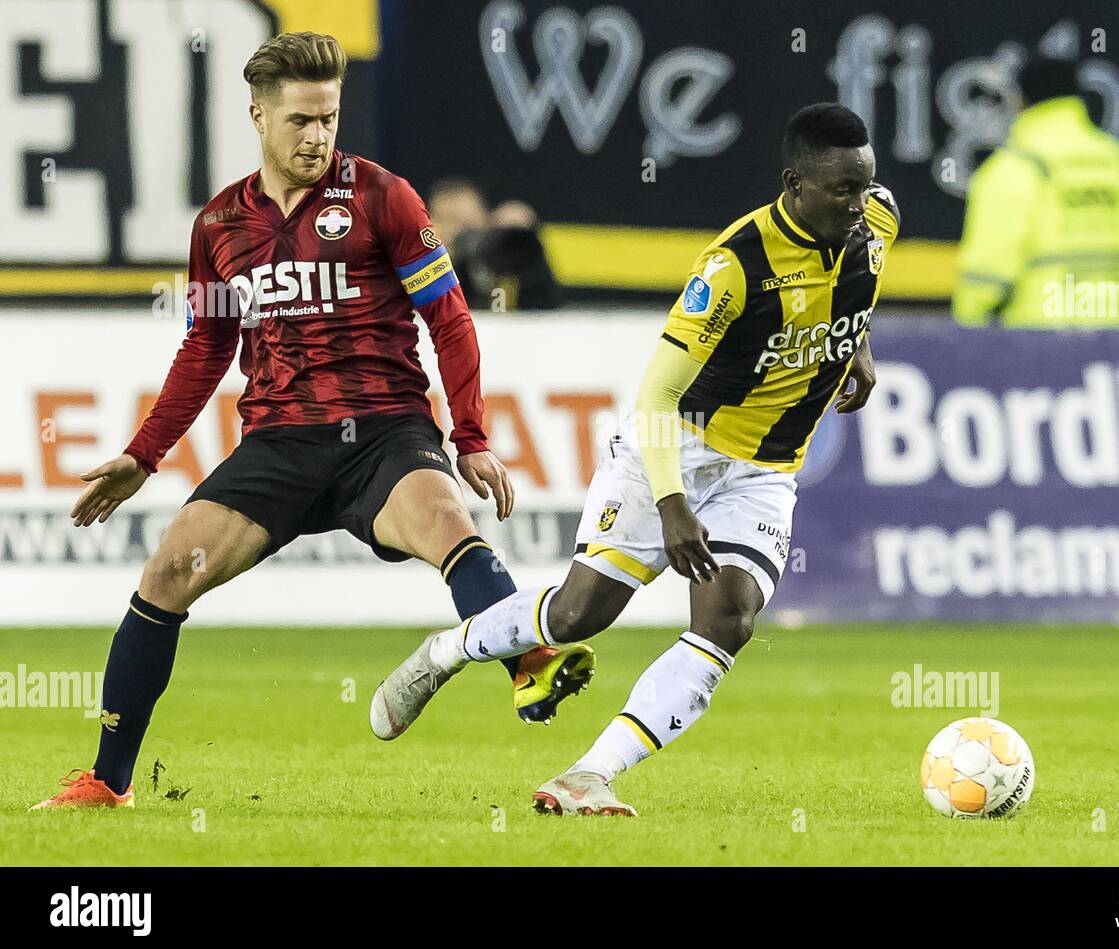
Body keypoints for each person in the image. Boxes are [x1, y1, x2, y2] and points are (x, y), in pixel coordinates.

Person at [32, 32, 593, 811]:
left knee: (445, 523)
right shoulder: (220, 225)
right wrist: (143, 454)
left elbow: (451, 318)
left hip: (385, 427)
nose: (317, 136)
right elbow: (206, 346)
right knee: (165, 575)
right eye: (300, 120)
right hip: (280, 440)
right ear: (258, 115)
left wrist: (468, 436)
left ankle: (527, 665)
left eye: (328, 118)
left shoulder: (383, 196)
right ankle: (108, 782)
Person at [370, 103, 898, 816]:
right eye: (842, 191)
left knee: (729, 621)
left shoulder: (876, 223)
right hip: (677, 445)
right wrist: (674, 503)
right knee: (581, 613)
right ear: (794, 186)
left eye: (865, 187)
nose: (858, 206)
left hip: (767, 470)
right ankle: (446, 652)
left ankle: (590, 773)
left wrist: (854, 345)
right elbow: (656, 392)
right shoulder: (736, 265)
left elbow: (852, 285)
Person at [953, 57, 1119, 327]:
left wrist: (967, 325)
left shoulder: (1015, 166)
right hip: (1113, 338)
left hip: (1033, 341)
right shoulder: (1118, 162)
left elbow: (989, 267)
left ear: (1020, 100)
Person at [428, 178, 564, 311]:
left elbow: (548, 304)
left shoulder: (505, 257)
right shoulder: (421, 262)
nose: (460, 233)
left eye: (467, 224)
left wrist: (519, 239)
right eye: (448, 221)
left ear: (487, 220)